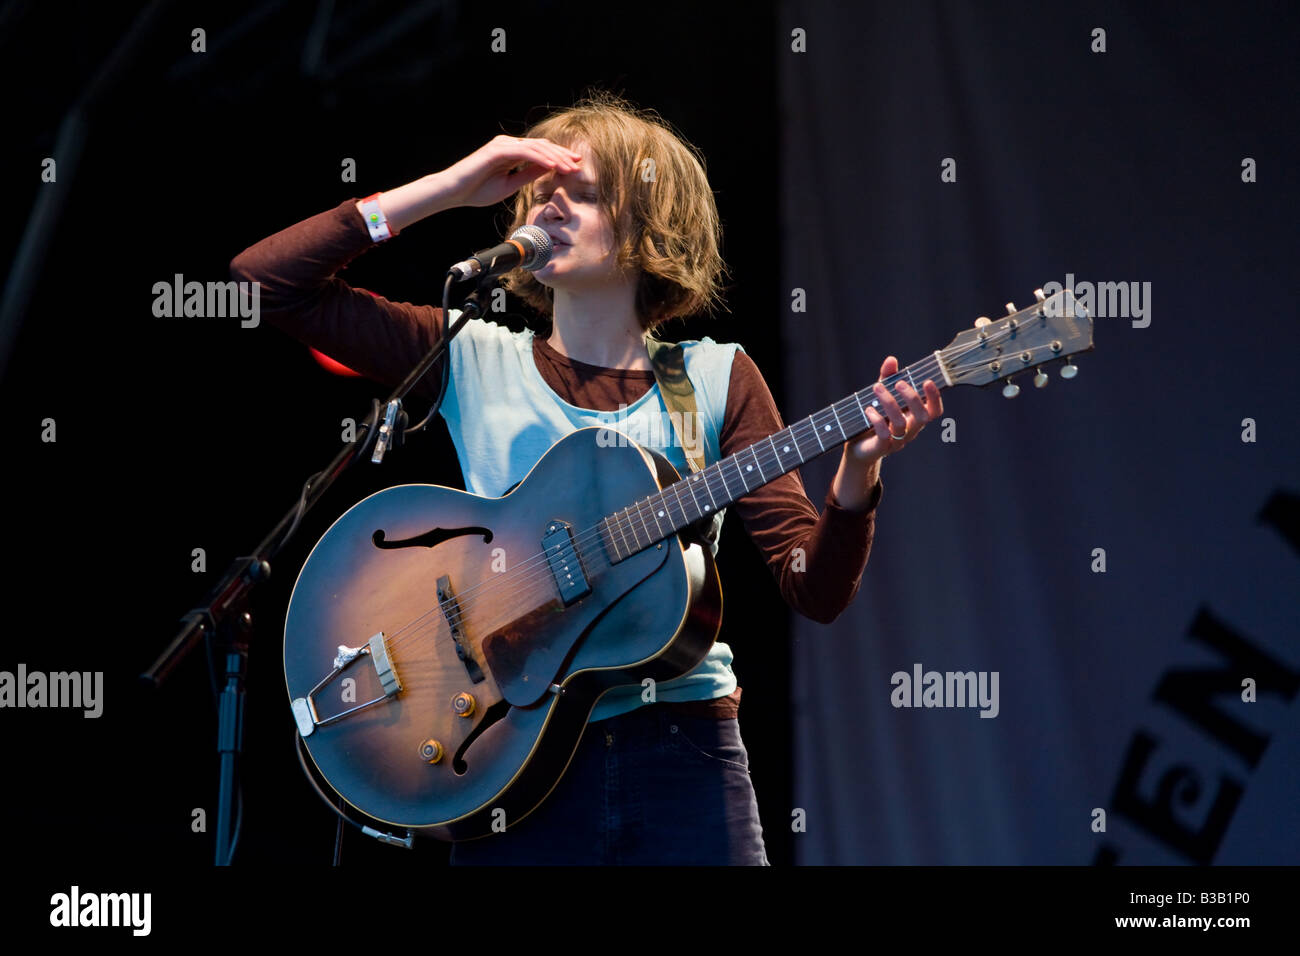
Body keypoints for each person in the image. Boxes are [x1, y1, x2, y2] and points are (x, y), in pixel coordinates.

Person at [230, 91, 941, 865]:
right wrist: (447, 186)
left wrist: (858, 473)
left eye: (585, 192)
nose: (551, 205)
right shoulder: (471, 355)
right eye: (540, 192)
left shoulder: (716, 377)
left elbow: (815, 591)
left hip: (685, 756)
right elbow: (265, 284)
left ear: (649, 224)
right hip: (508, 756)